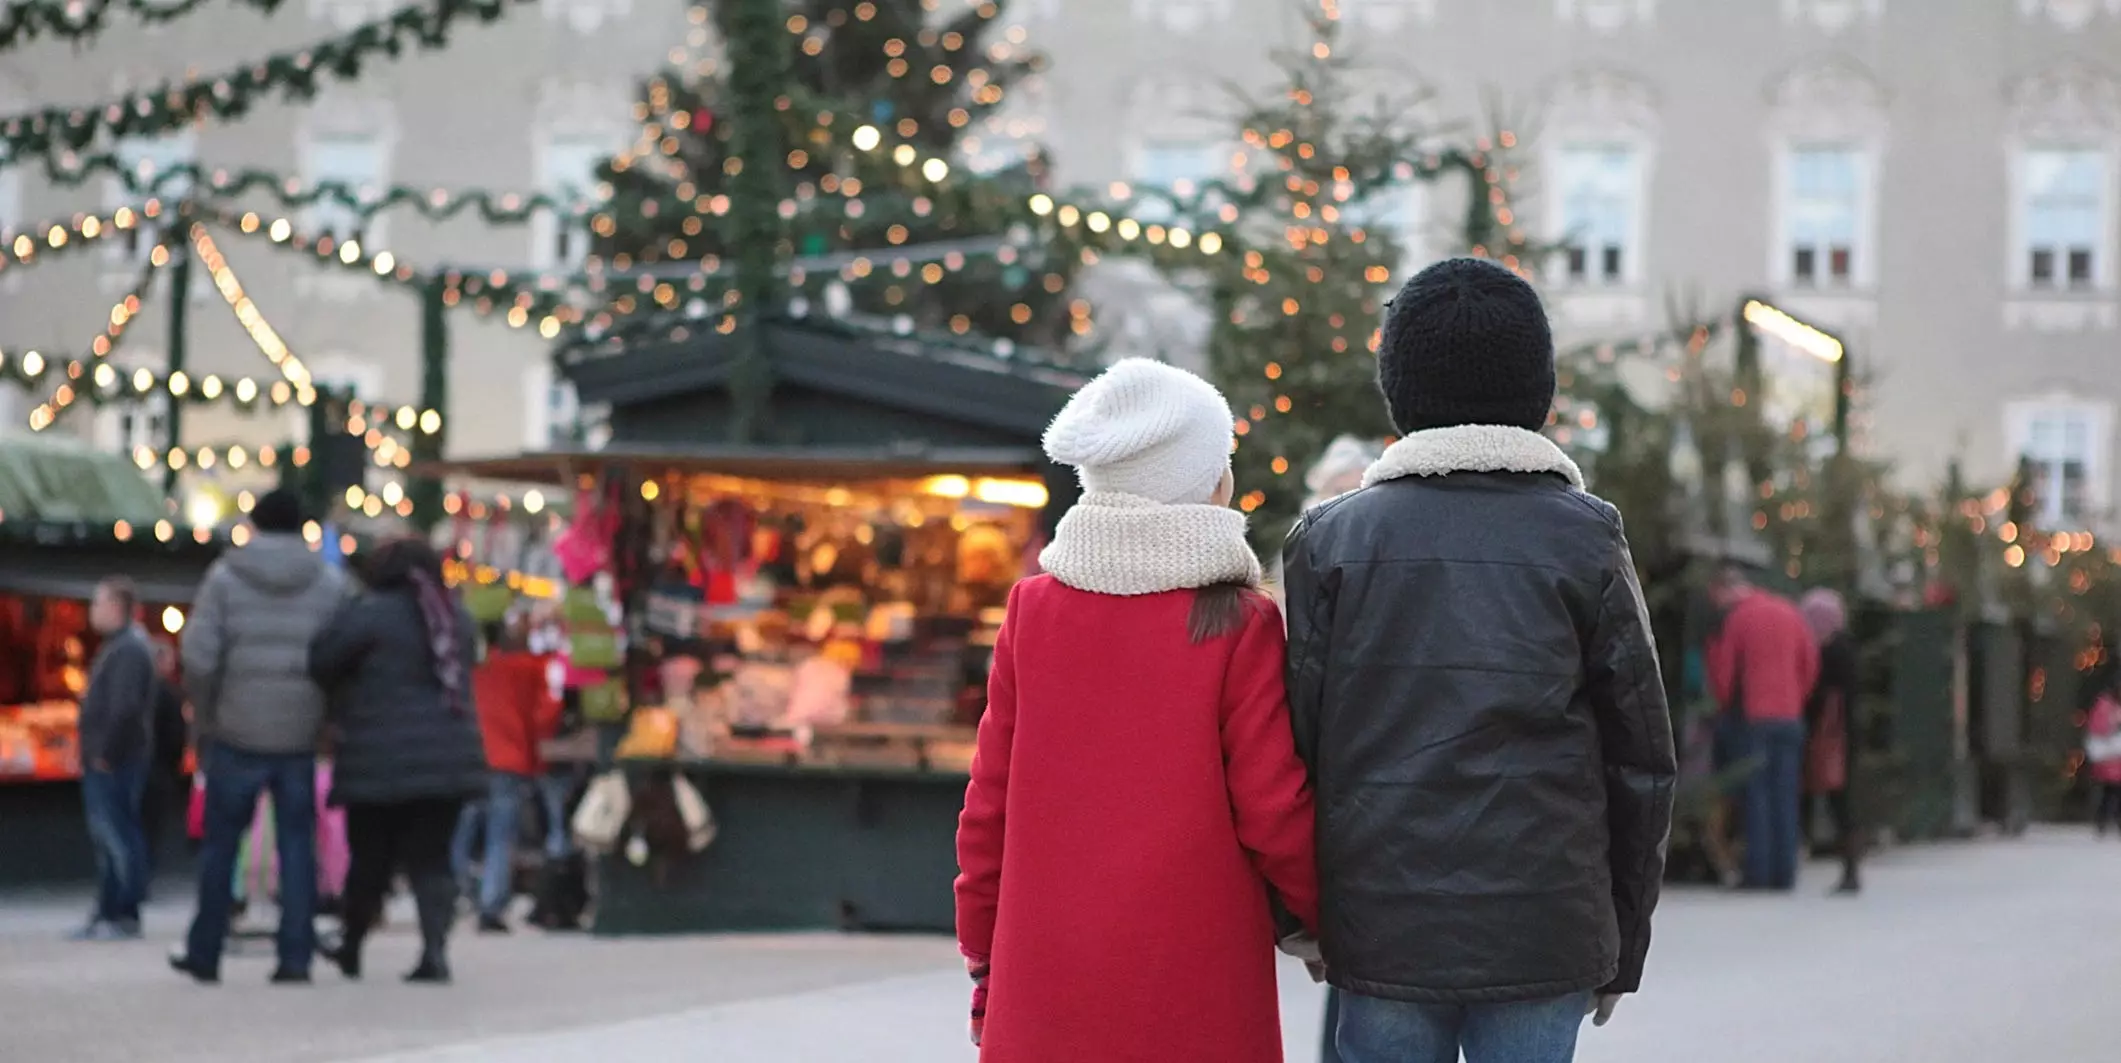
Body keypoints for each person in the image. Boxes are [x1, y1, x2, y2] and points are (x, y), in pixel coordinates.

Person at [1282, 258, 1676, 1063]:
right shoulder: (1585, 535)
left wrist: (1307, 916)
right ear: (1537, 388)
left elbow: (1297, 744)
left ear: (1399, 388)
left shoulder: (1330, 540)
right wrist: (1620, 945)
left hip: (1380, 923)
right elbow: (1640, 755)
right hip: (1546, 925)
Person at [954, 359, 1319, 1062]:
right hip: (1196, 978)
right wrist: (1327, 915)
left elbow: (987, 805)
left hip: (1046, 974)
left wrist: (982, 952)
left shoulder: (1032, 609)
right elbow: (1274, 807)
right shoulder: (1236, 621)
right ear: (1205, 482)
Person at [171, 488, 346, 985]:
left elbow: (200, 658)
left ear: (255, 523)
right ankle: (296, 957)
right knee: (297, 847)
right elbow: (342, 657)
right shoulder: (329, 584)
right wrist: (325, 716)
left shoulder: (225, 579)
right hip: (299, 735)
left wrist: (205, 717)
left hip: (235, 730)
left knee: (220, 847)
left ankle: (205, 951)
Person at [311, 536, 487, 985]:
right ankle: (435, 952)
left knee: (369, 857)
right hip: (446, 758)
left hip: (376, 756)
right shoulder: (454, 618)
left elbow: (321, 660)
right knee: (432, 858)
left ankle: (351, 946)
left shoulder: (367, 614)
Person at [1705, 566, 1820, 892]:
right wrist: (1796, 697)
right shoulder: (1790, 612)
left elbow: (1725, 675)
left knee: (1756, 796)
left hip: (1754, 718)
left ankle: (1758, 873)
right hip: (1789, 715)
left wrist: (1724, 703)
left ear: (1727, 590)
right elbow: (1810, 663)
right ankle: (1785, 873)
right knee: (1786, 795)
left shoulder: (1738, 619)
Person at [453, 618, 565, 933]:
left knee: (462, 832)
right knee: (500, 835)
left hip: (473, 757)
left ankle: (467, 891)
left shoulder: (474, 670)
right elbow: (545, 713)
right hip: (509, 758)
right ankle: (491, 903)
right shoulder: (531, 668)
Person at [72, 577, 158, 941]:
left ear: (116, 607)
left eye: (98, 603)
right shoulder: (122, 647)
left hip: (115, 761)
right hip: (111, 758)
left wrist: (105, 753)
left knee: (117, 836)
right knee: (110, 837)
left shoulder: (128, 650)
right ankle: (110, 909)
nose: (92, 612)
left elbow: (125, 708)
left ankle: (123, 911)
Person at [1800, 589, 1861, 894]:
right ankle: (1849, 868)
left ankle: (1847, 869)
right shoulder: (1847, 647)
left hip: (1830, 735)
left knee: (1835, 800)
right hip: (1843, 734)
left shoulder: (1829, 651)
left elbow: (1819, 693)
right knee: (1841, 801)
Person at [142, 637, 189, 882]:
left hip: (139, 769)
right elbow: (177, 737)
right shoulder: (170, 695)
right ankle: (142, 877)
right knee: (150, 828)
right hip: (159, 770)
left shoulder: (137, 689)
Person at [2084, 674, 2121, 836]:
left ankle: (2105, 821)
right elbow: (2099, 727)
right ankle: (2104, 821)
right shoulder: (2105, 706)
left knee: (2112, 792)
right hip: (2110, 755)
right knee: (2111, 791)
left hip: (2115, 756)